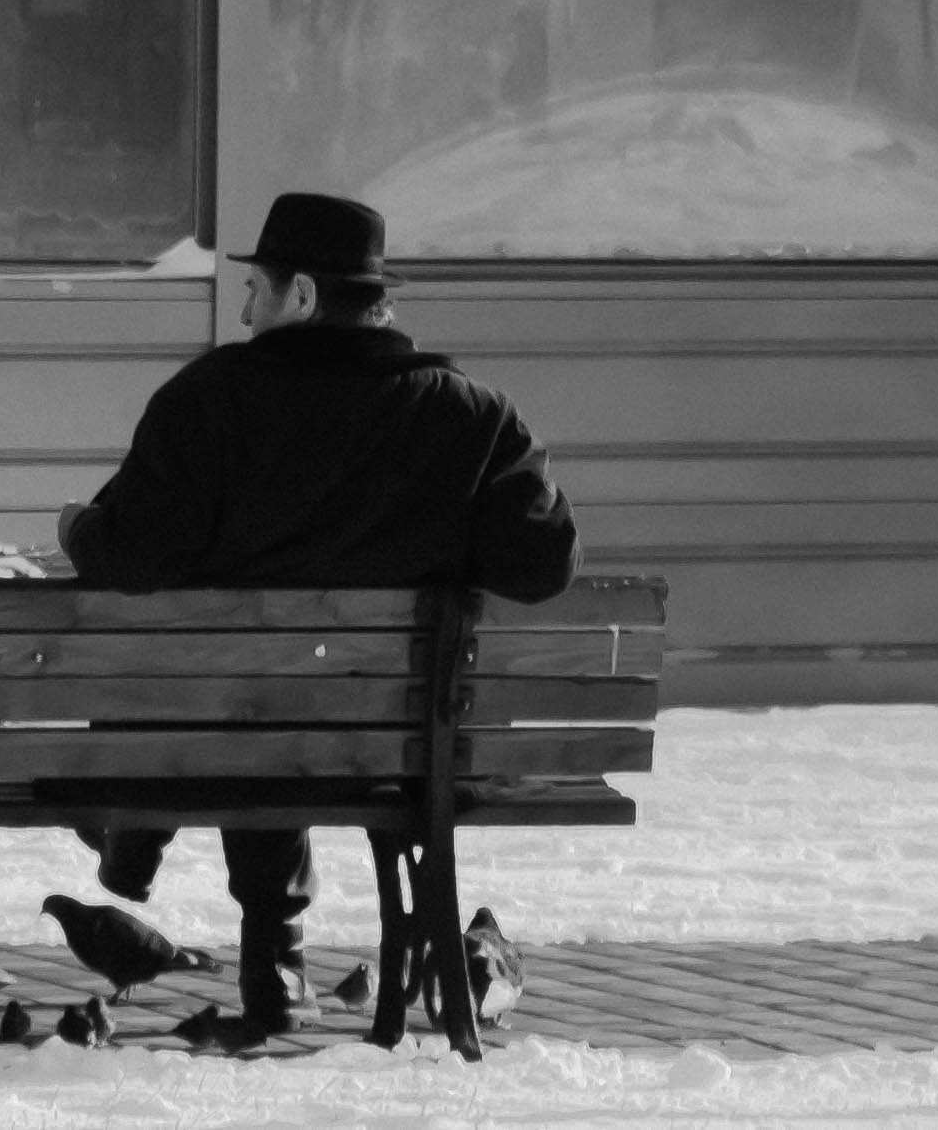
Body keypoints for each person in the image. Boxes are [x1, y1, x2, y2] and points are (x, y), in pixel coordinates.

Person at [53, 191, 580, 1039]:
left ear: (299, 296)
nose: (242, 306)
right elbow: (544, 563)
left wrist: (75, 525)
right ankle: (266, 951)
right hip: (398, 751)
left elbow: (130, 558)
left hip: (220, 731)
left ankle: (151, 845)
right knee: (278, 710)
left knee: (237, 703)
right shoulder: (472, 417)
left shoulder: (207, 400)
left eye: (254, 286)